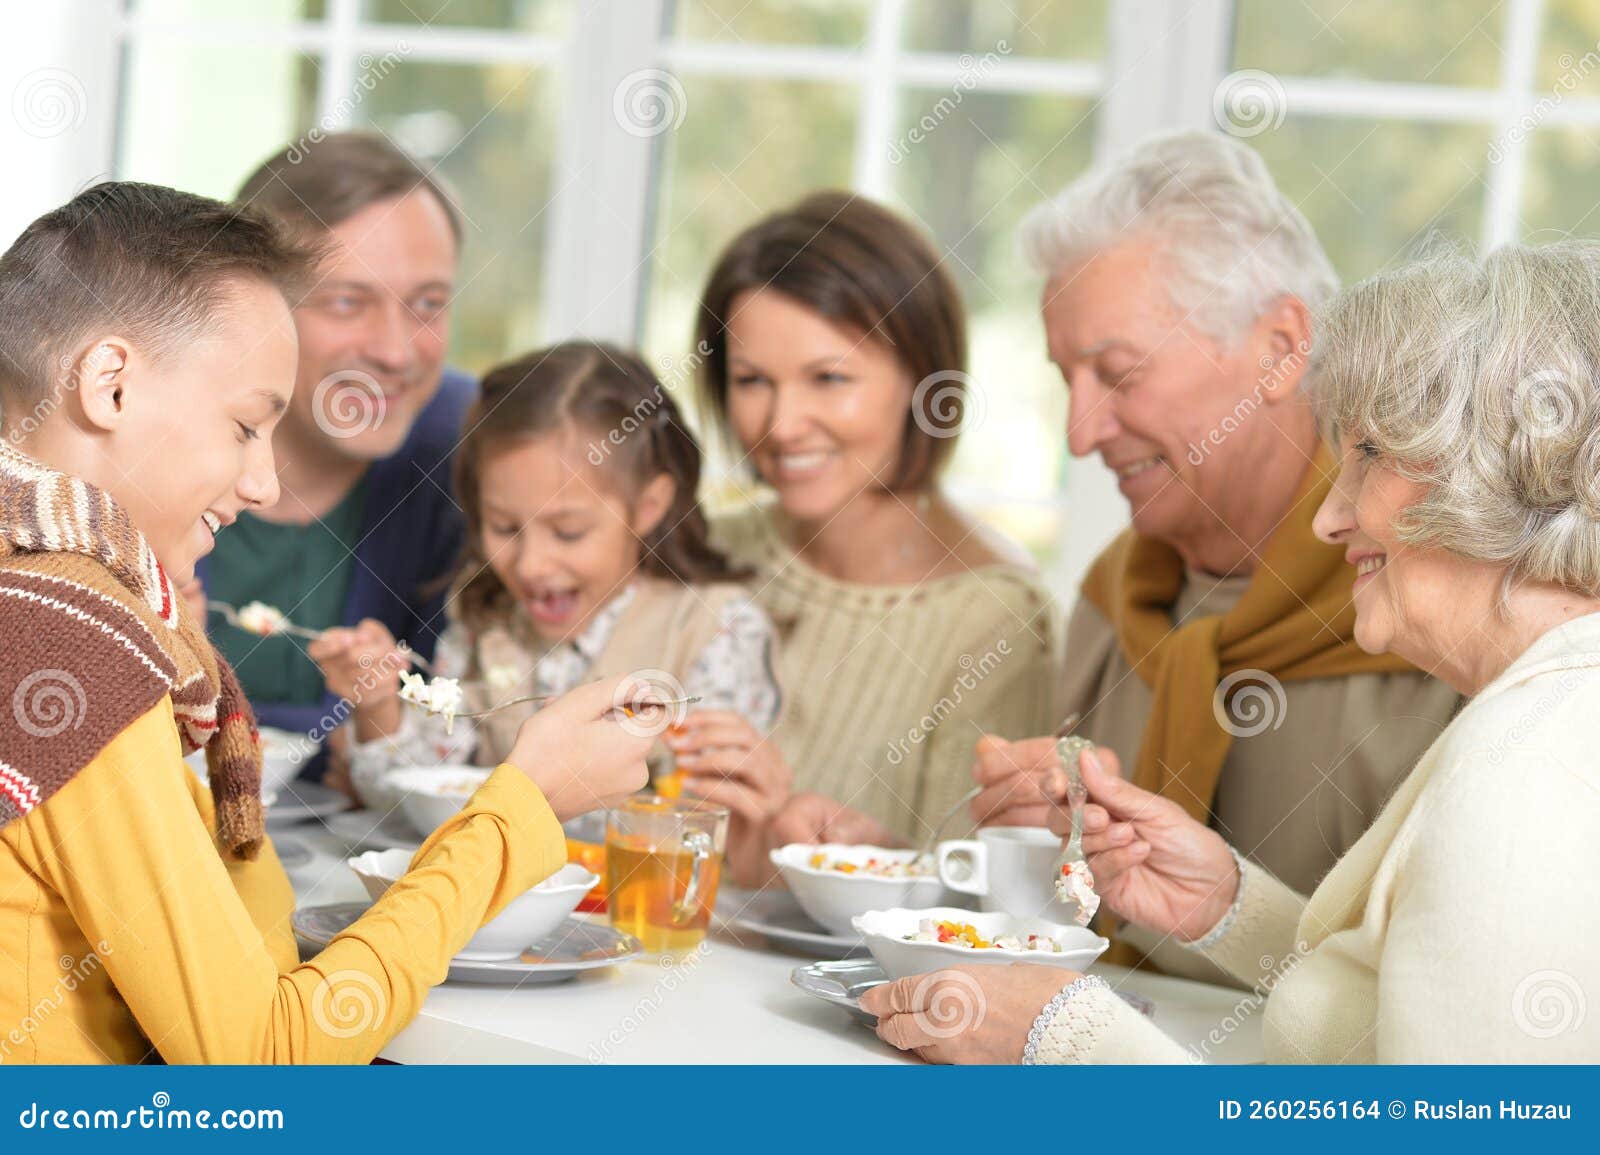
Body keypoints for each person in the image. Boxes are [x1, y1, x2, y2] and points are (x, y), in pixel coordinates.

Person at [865, 240, 1600, 1063]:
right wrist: (1227, 904)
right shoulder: (1552, 715)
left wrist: (1062, 1037)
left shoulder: (1527, 774)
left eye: (1368, 455)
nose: (1330, 518)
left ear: (1497, 466)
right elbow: (1407, 1025)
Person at [0, 182, 651, 1064]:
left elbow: (241, 954)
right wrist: (525, 803)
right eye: (244, 426)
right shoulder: (64, 636)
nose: (263, 482)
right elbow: (268, 1053)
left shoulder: (49, 601)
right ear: (110, 385)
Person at [969, 133, 1460, 942]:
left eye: (1120, 373)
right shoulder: (1116, 595)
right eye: (1067, 379)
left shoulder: (1432, 618)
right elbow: (1076, 934)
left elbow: (1422, 998)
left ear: (1279, 351)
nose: (1081, 433)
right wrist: (1031, 850)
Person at [685, 191, 1061, 854]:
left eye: (829, 377)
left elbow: (975, 903)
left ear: (922, 377)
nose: (781, 424)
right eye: (751, 380)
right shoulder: (704, 547)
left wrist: (853, 859)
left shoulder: (996, 618)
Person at [331, 341, 783, 884]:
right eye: (504, 527)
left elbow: (707, 836)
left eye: (568, 532)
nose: (531, 563)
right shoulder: (487, 625)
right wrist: (379, 706)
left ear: (649, 506)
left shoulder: (714, 631)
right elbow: (413, 797)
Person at [196, 133, 474, 754]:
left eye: (427, 304)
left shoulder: (472, 451)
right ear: (252, 302)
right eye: (349, 302)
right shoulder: (147, 457)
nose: (396, 351)